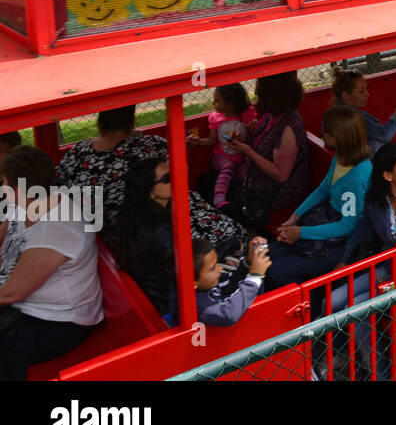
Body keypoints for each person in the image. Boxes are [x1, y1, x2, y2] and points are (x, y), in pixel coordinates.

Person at [54, 105, 243, 255]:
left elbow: (59, 187)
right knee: (225, 231)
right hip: (161, 215)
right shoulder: (152, 144)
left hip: (108, 230)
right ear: (132, 121)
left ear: (100, 122)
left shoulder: (78, 151)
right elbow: (181, 176)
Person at [324, 143, 396, 381]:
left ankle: (381, 374)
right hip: (386, 268)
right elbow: (362, 231)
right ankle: (343, 354)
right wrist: (344, 262)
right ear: (387, 175)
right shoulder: (376, 200)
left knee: (354, 310)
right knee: (330, 301)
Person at [0, 147, 103, 381]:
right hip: (21, 305)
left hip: (56, 321)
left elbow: (10, 295)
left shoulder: (55, 228)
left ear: (16, 189)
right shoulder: (23, 203)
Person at [264, 105, 372, 290]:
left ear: (338, 137)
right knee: (266, 255)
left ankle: (311, 309)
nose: (323, 137)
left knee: (276, 272)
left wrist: (300, 232)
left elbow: (347, 226)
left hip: (339, 244)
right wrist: (294, 218)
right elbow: (323, 190)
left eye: (326, 134)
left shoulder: (357, 175)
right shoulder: (340, 158)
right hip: (322, 223)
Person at [228, 73, 311, 232]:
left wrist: (248, 151)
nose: (256, 95)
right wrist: (244, 141)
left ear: (272, 95)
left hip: (278, 193)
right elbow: (263, 145)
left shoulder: (289, 127)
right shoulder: (272, 115)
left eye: (260, 92)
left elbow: (281, 175)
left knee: (228, 203)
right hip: (257, 181)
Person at [114, 158, 177, 322]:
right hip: (170, 309)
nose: (176, 179)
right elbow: (189, 271)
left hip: (155, 298)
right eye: (167, 178)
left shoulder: (134, 215)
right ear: (150, 191)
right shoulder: (157, 229)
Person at [188, 83, 258, 210]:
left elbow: (253, 138)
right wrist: (198, 141)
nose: (214, 103)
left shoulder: (247, 114)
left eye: (217, 100)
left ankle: (246, 201)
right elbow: (211, 140)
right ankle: (219, 198)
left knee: (247, 174)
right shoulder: (215, 118)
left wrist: (252, 128)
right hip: (221, 157)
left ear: (230, 102)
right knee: (228, 167)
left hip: (242, 157)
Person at [329, 69, 396, 153]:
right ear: (346, 95)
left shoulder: (331, 114)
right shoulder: (357, 118)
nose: (367, 94)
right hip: (373, 163)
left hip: (358, 162)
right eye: (361, 91)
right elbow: (385, 135)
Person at [194, 235, 272, 326]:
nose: (219, 268)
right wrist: (254, 276)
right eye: (212, 268)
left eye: (216, 263)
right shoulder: (197, 305)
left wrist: (249, 262)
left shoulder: (206, 282)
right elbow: (228, 315)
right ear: (193, 283)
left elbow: (230, 283)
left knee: (258, 284)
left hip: (222, 302)